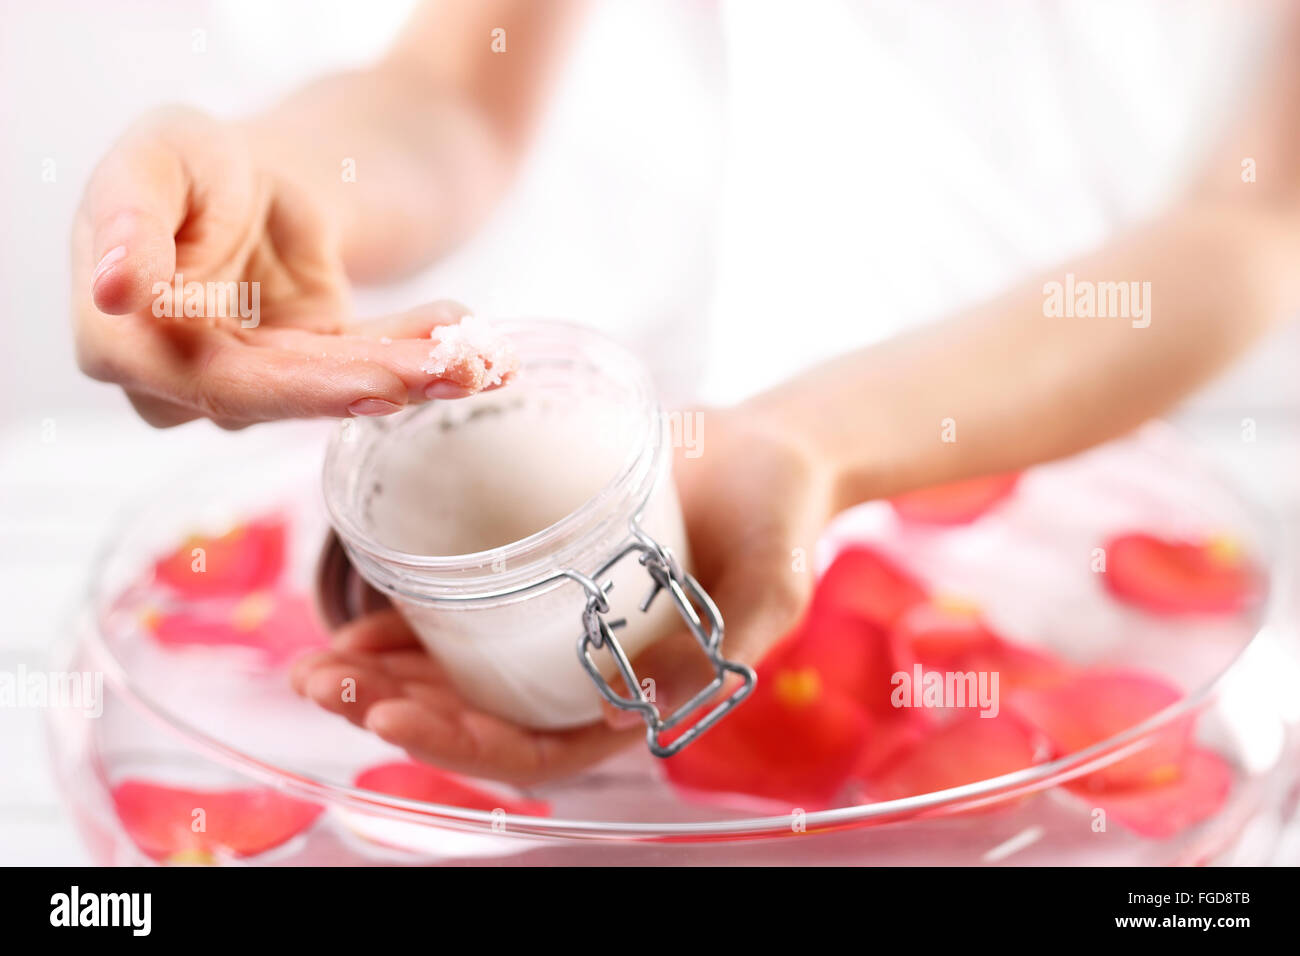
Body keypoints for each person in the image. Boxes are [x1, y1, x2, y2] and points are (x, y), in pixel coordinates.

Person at [72, 0, 1300, 784]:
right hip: (656, 434)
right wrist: (271, 187)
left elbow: (1256, 221)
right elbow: (451, 91)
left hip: (1034, 458)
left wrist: (813, 443)